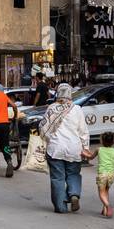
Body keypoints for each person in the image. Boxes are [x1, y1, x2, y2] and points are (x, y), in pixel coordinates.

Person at [39, 83, 92, 212]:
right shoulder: (77, 109)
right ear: (70, 94)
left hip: (56, 148)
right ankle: (74, 194)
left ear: (58, 93)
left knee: (58, 178)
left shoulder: (51, 108)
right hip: (74, 148)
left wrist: (48, 141)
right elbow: (83, 131)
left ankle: (61, 207)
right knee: (73, 174)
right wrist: (85, 148)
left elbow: (43, 128)